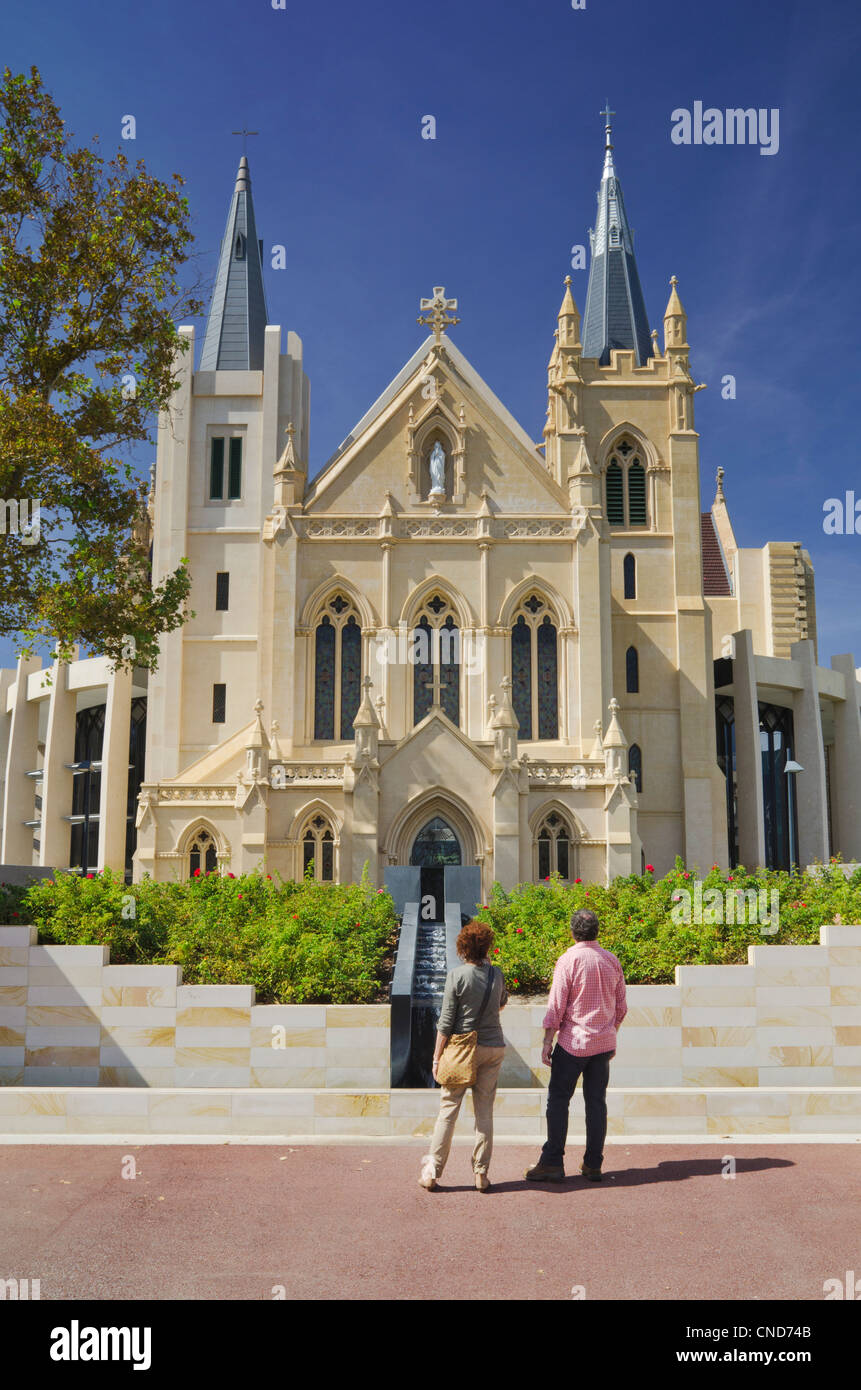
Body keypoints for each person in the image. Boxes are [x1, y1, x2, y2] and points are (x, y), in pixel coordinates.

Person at [525, 908, 627, 1183]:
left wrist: (547, 1041)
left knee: (558, 1100)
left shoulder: (568, 960)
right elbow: (621, 1007)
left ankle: (552, 1162)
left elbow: (556, 1006)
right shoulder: (611, 960)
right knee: (596, 1103)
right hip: (602, 1044)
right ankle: (593, 1163)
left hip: (572, 1043)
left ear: (572, 932)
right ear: (597, 931)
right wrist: (610, 1033)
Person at [419, 919, 507, 1192]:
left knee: (448, 1109)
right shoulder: (498, 973)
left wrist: (436, 1057)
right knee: (484, 1113)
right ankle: (481, 1173)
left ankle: (432, 1170)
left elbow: (445, 1022)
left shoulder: (457, 976)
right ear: (487, 946)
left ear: (463, 948)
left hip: (461, 1050)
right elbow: (501, 1003)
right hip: (493, 1048)